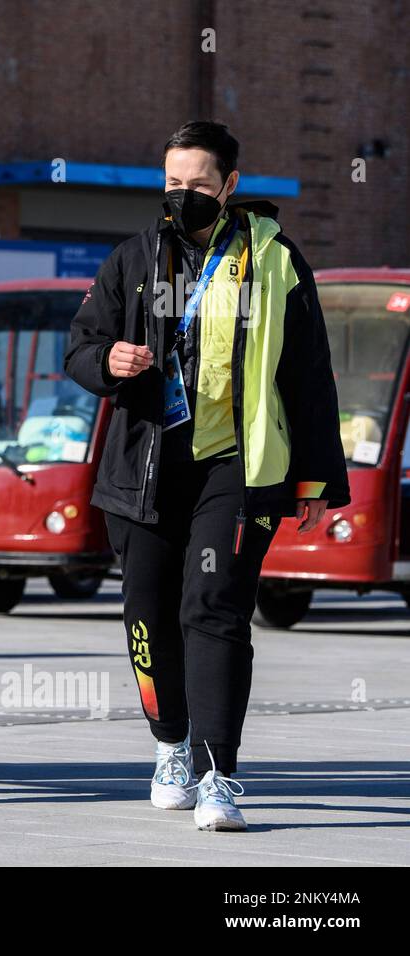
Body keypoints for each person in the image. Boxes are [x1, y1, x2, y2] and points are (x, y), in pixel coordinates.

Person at [65, 121, 349, 831]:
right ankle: (171, 748)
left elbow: (309, 373)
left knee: (214, 609)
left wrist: (317, 481)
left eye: (197, 183)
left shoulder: (276, 263)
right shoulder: (132, 261)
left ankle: (221, 772)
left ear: (230, 187)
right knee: (148, 614)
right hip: (145, 468)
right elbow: (79, 348)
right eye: (172, 182)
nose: (182, 194)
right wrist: (109, 363)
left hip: (235, 466)